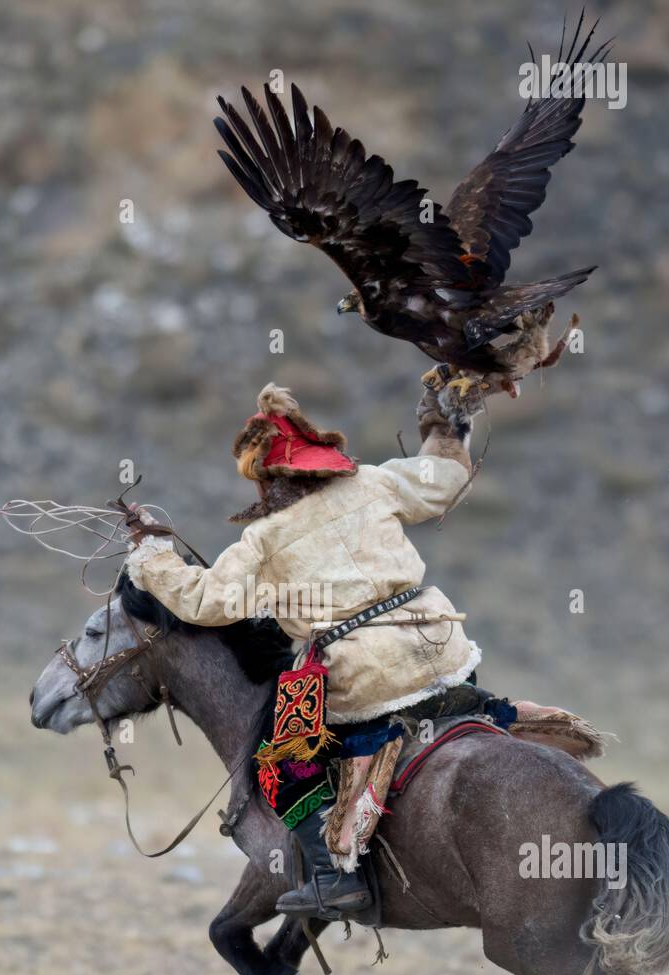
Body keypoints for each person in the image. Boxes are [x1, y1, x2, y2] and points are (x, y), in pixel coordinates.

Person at [124, 380, 484, 919]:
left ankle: (336, 880)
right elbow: (448, 478)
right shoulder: (372, 483)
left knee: (279, 763)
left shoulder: (265, 538)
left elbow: (205, 603)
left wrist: (152, 555)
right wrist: (446, 428)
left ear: (268, 475)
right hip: (446, 651)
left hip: (365, 675)